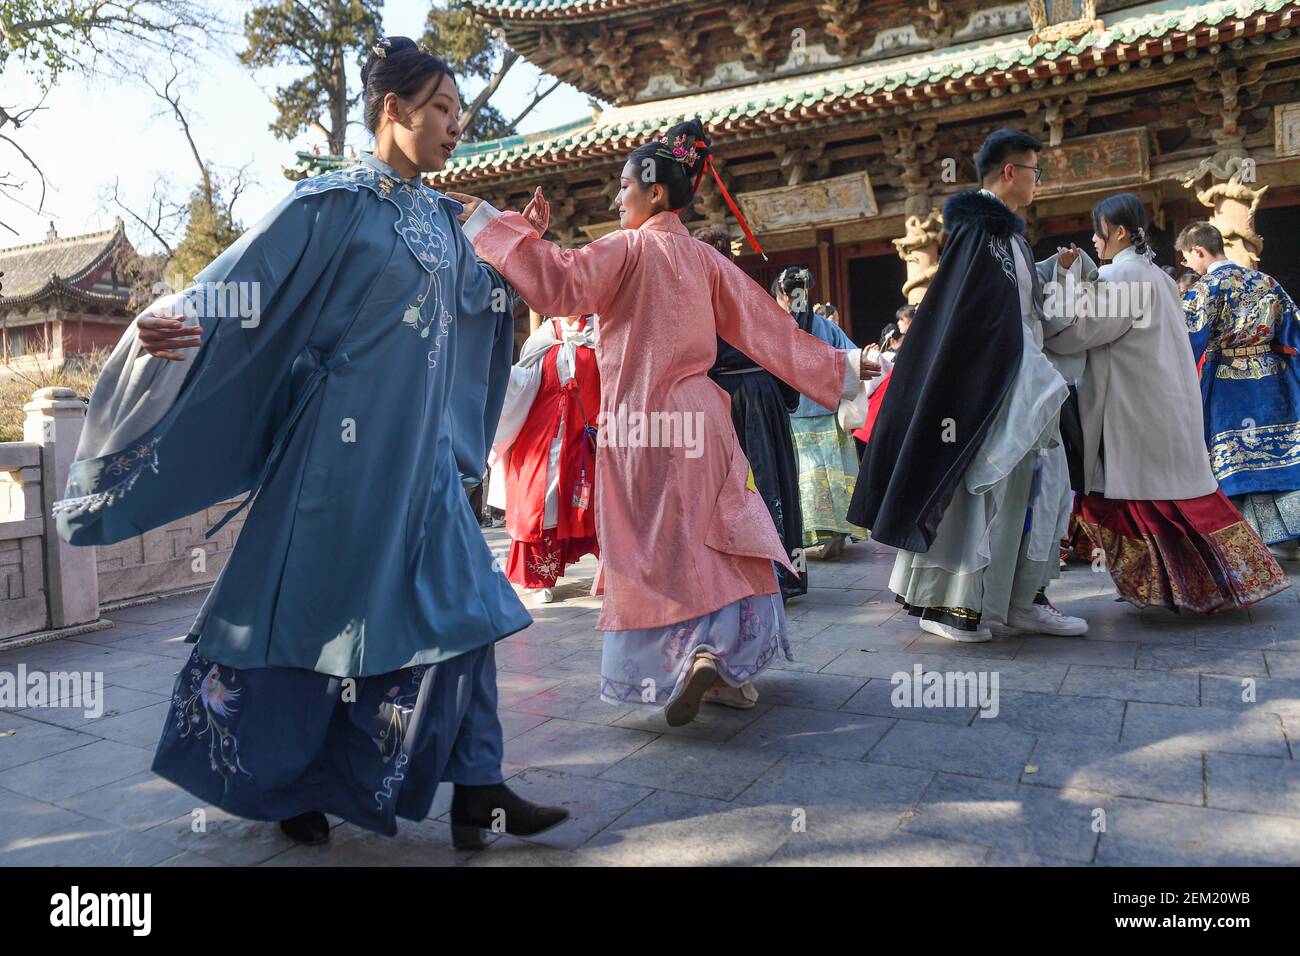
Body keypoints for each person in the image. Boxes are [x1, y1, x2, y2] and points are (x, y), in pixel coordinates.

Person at [53, 37, 567, 851]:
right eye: (439, 110)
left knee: (471, 607)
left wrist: (508, 269)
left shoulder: (442, 221)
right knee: (305, 619)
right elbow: (241, 281)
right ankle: (288, 781)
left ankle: (480, 788)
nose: (452, 129)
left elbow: (471, 310)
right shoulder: (328, 206)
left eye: (458, 116)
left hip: (422, 462)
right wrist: (173, 316)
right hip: (338, 458)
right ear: (391, 110)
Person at [450, 119, 878, 725]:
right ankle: (724, 662)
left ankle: (686, 657)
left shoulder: (622, 251)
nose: (615, 198)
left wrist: (493, 225)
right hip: (702, 421)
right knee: (722, 537)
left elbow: (558, 282)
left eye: (623, 186)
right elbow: (769, 329)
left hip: (636, 426)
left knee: (655, 549)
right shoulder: (706, 260)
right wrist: (848, 363)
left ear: (654, 192)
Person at [848, 128, 1085, 642]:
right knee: (976, 490)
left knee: (1040, 487)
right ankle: (949, 604)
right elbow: (971, 319)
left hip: (1020, 382)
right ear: (1009, 172)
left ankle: (1022, 597)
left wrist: (1056, 276)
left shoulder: (1011, 237)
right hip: (983, 390)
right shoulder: (981, 234)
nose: (1038, 182)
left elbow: (1018, 307)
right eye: (1034, 171)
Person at [1044, 194, 1289, 610]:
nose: (1093, 239)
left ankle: (1187, 588)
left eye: (1098, 230)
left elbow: (1077, 333)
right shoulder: (1156, 275)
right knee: (1177, 501)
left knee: (1148, 502)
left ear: (1119, 231)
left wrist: (1063, 281)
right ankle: (1215, 584)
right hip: (1164, 403)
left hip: (1134, 410)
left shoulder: (1124, 278)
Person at [696, 225, 808, 606]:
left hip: (724, 396)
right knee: (765, 476)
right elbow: (782, 343)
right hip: (762, 394)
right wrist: (786, 394)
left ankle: (749, 574)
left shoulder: (697, 296)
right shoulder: (749, 293)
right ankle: (778, 572)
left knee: (738, 482)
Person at [1177, 220, 1300, 560]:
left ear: (1198, 250)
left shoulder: (1207, 288)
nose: (1188, 265)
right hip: (1273, 381)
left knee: (1235, 461)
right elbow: (1294, 329)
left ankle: (1243, 545)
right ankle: (1288, 537)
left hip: (1229, 386)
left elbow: (1186, 341)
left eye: (1188, 257)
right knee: (1281, 454)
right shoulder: (1267, 282)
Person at [490, 313, 601, 605]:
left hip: (586, 433)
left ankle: (611, 572)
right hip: (543, 432)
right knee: (540, 504)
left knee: (593, 502)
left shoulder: (600, 332)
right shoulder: (542, 336)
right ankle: (540, 576)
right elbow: (520, 382)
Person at [779, 266, 881, 560]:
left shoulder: (780, 327)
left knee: (805, 478)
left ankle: (807, 534)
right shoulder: (827, 327)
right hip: (827, 410)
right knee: (833, 476)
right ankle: (836, 535)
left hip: (794, 415)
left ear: (785, 294)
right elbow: (852, 358)